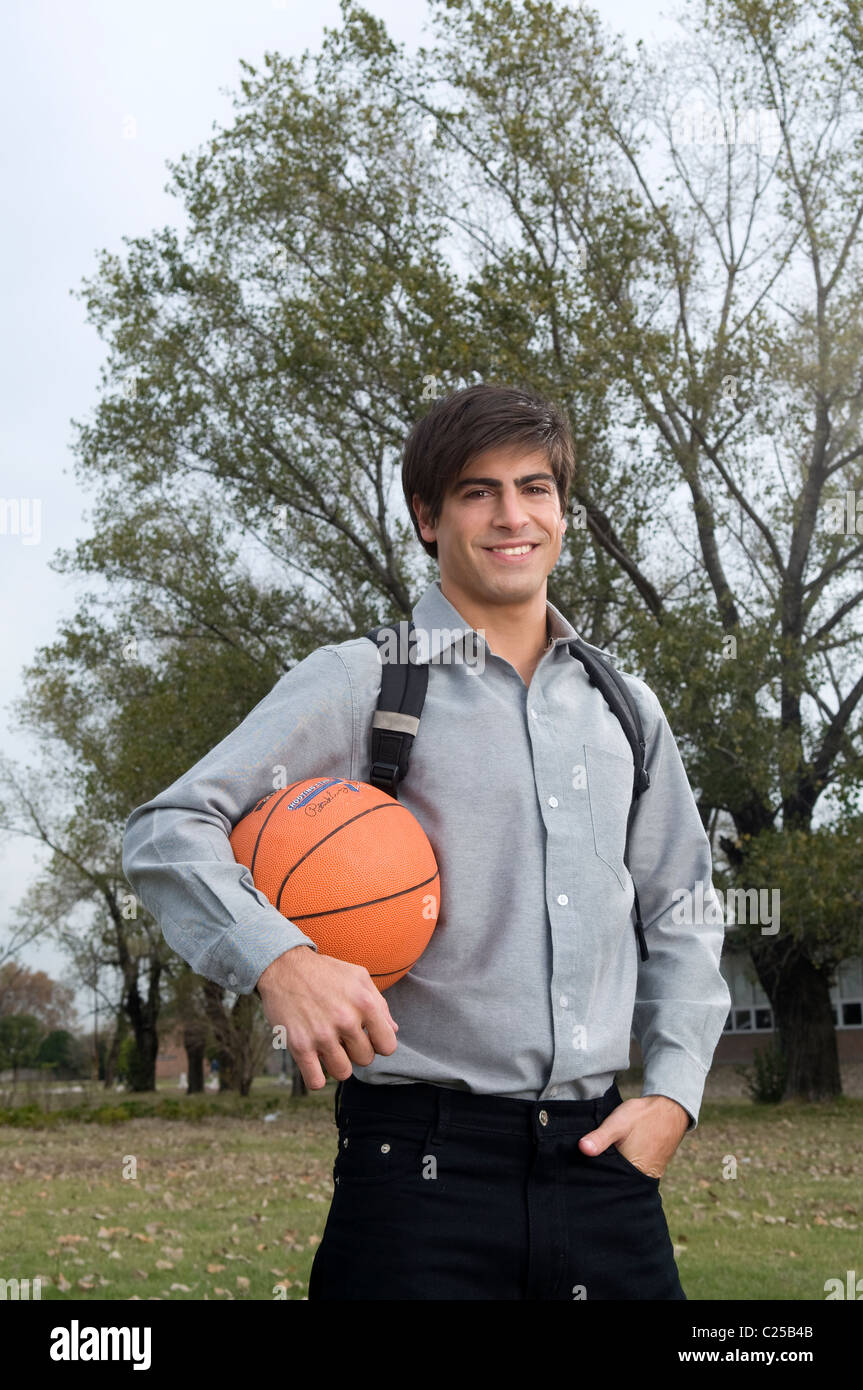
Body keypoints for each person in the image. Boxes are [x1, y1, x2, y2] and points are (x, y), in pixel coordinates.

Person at [122, 383, 731, 1300]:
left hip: (605, 1164)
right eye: (477, 491)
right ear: (426, 518)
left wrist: (675, 1094)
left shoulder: (624, 706)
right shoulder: (365, 679)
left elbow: (683, 910)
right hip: (417, 1169)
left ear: (562, 511)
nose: (511, 515)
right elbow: (168, 830)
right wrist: (277, 958)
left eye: (535, 487)